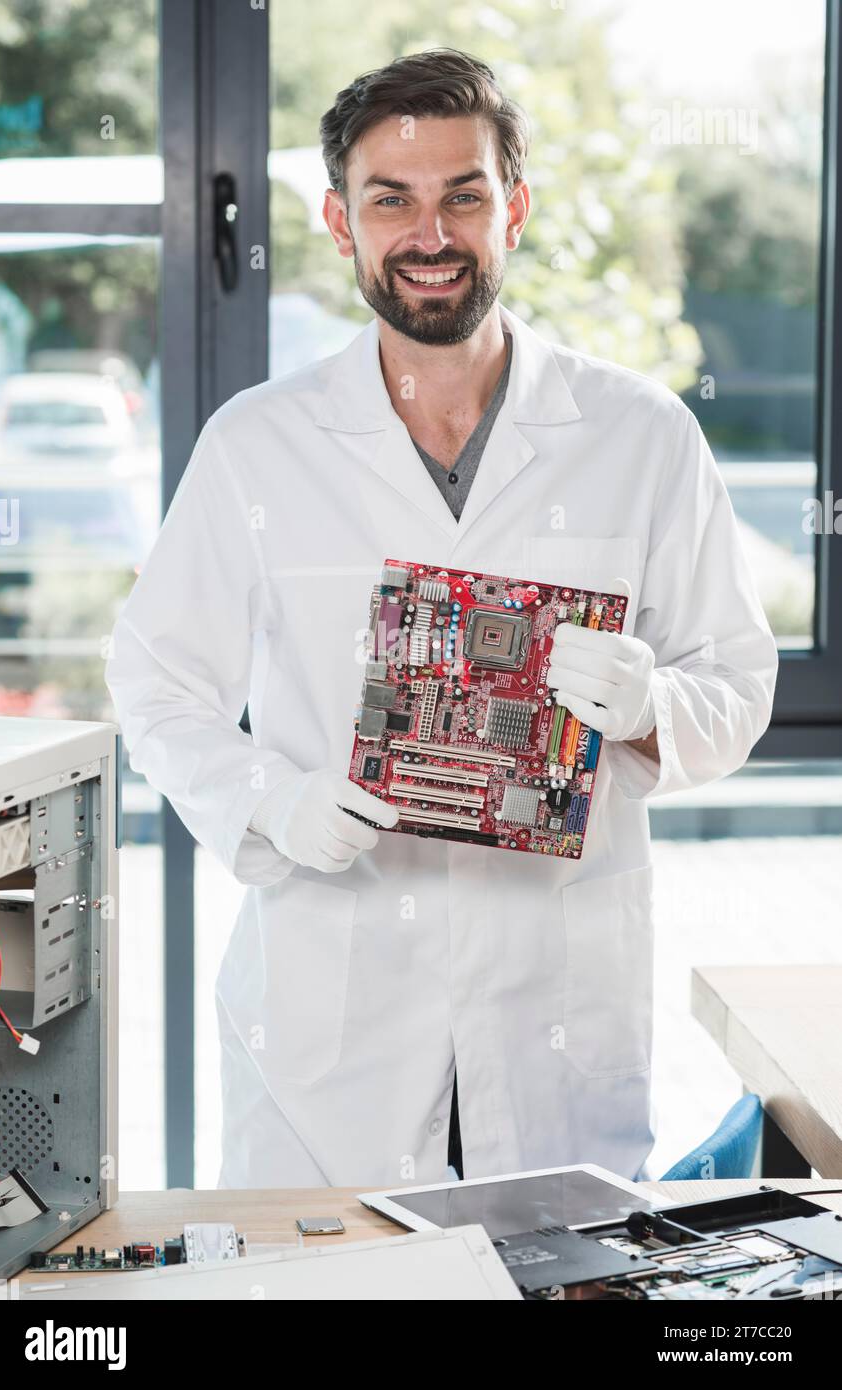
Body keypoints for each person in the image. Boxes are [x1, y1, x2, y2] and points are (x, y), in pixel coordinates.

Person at [105, 48, 778, 1189]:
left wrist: (654, 702)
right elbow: (155, 682)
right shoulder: (256, 447)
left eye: (463, 194)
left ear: (511, 207)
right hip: (331, 1037)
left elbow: (739, 685)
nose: (431, 232)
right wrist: (276, 800)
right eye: (392, 199)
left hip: (558, 1019)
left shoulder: (642, 435)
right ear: (338, 220)